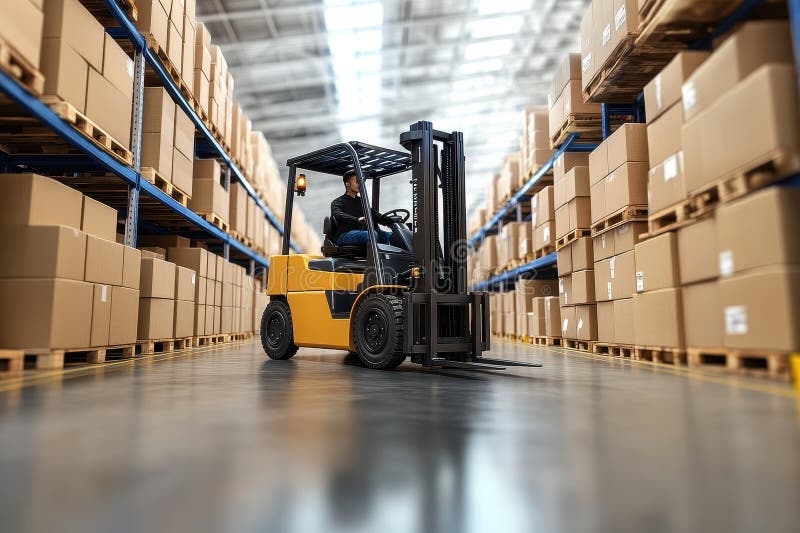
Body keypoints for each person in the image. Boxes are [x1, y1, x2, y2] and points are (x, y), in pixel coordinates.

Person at [331, 170, 394, 246]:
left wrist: (392, 221)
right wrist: (357, 220)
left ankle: (386, 257)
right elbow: (338, 215)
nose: (360, 184)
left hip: (366, 233)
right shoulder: (338, 202)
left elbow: (375, 215)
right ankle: (375, 255)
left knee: (392, 236)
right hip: (345, 235)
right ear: (347, 184)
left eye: (361, 182)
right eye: (357, 181)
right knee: (370, 235)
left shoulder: (362, 202)